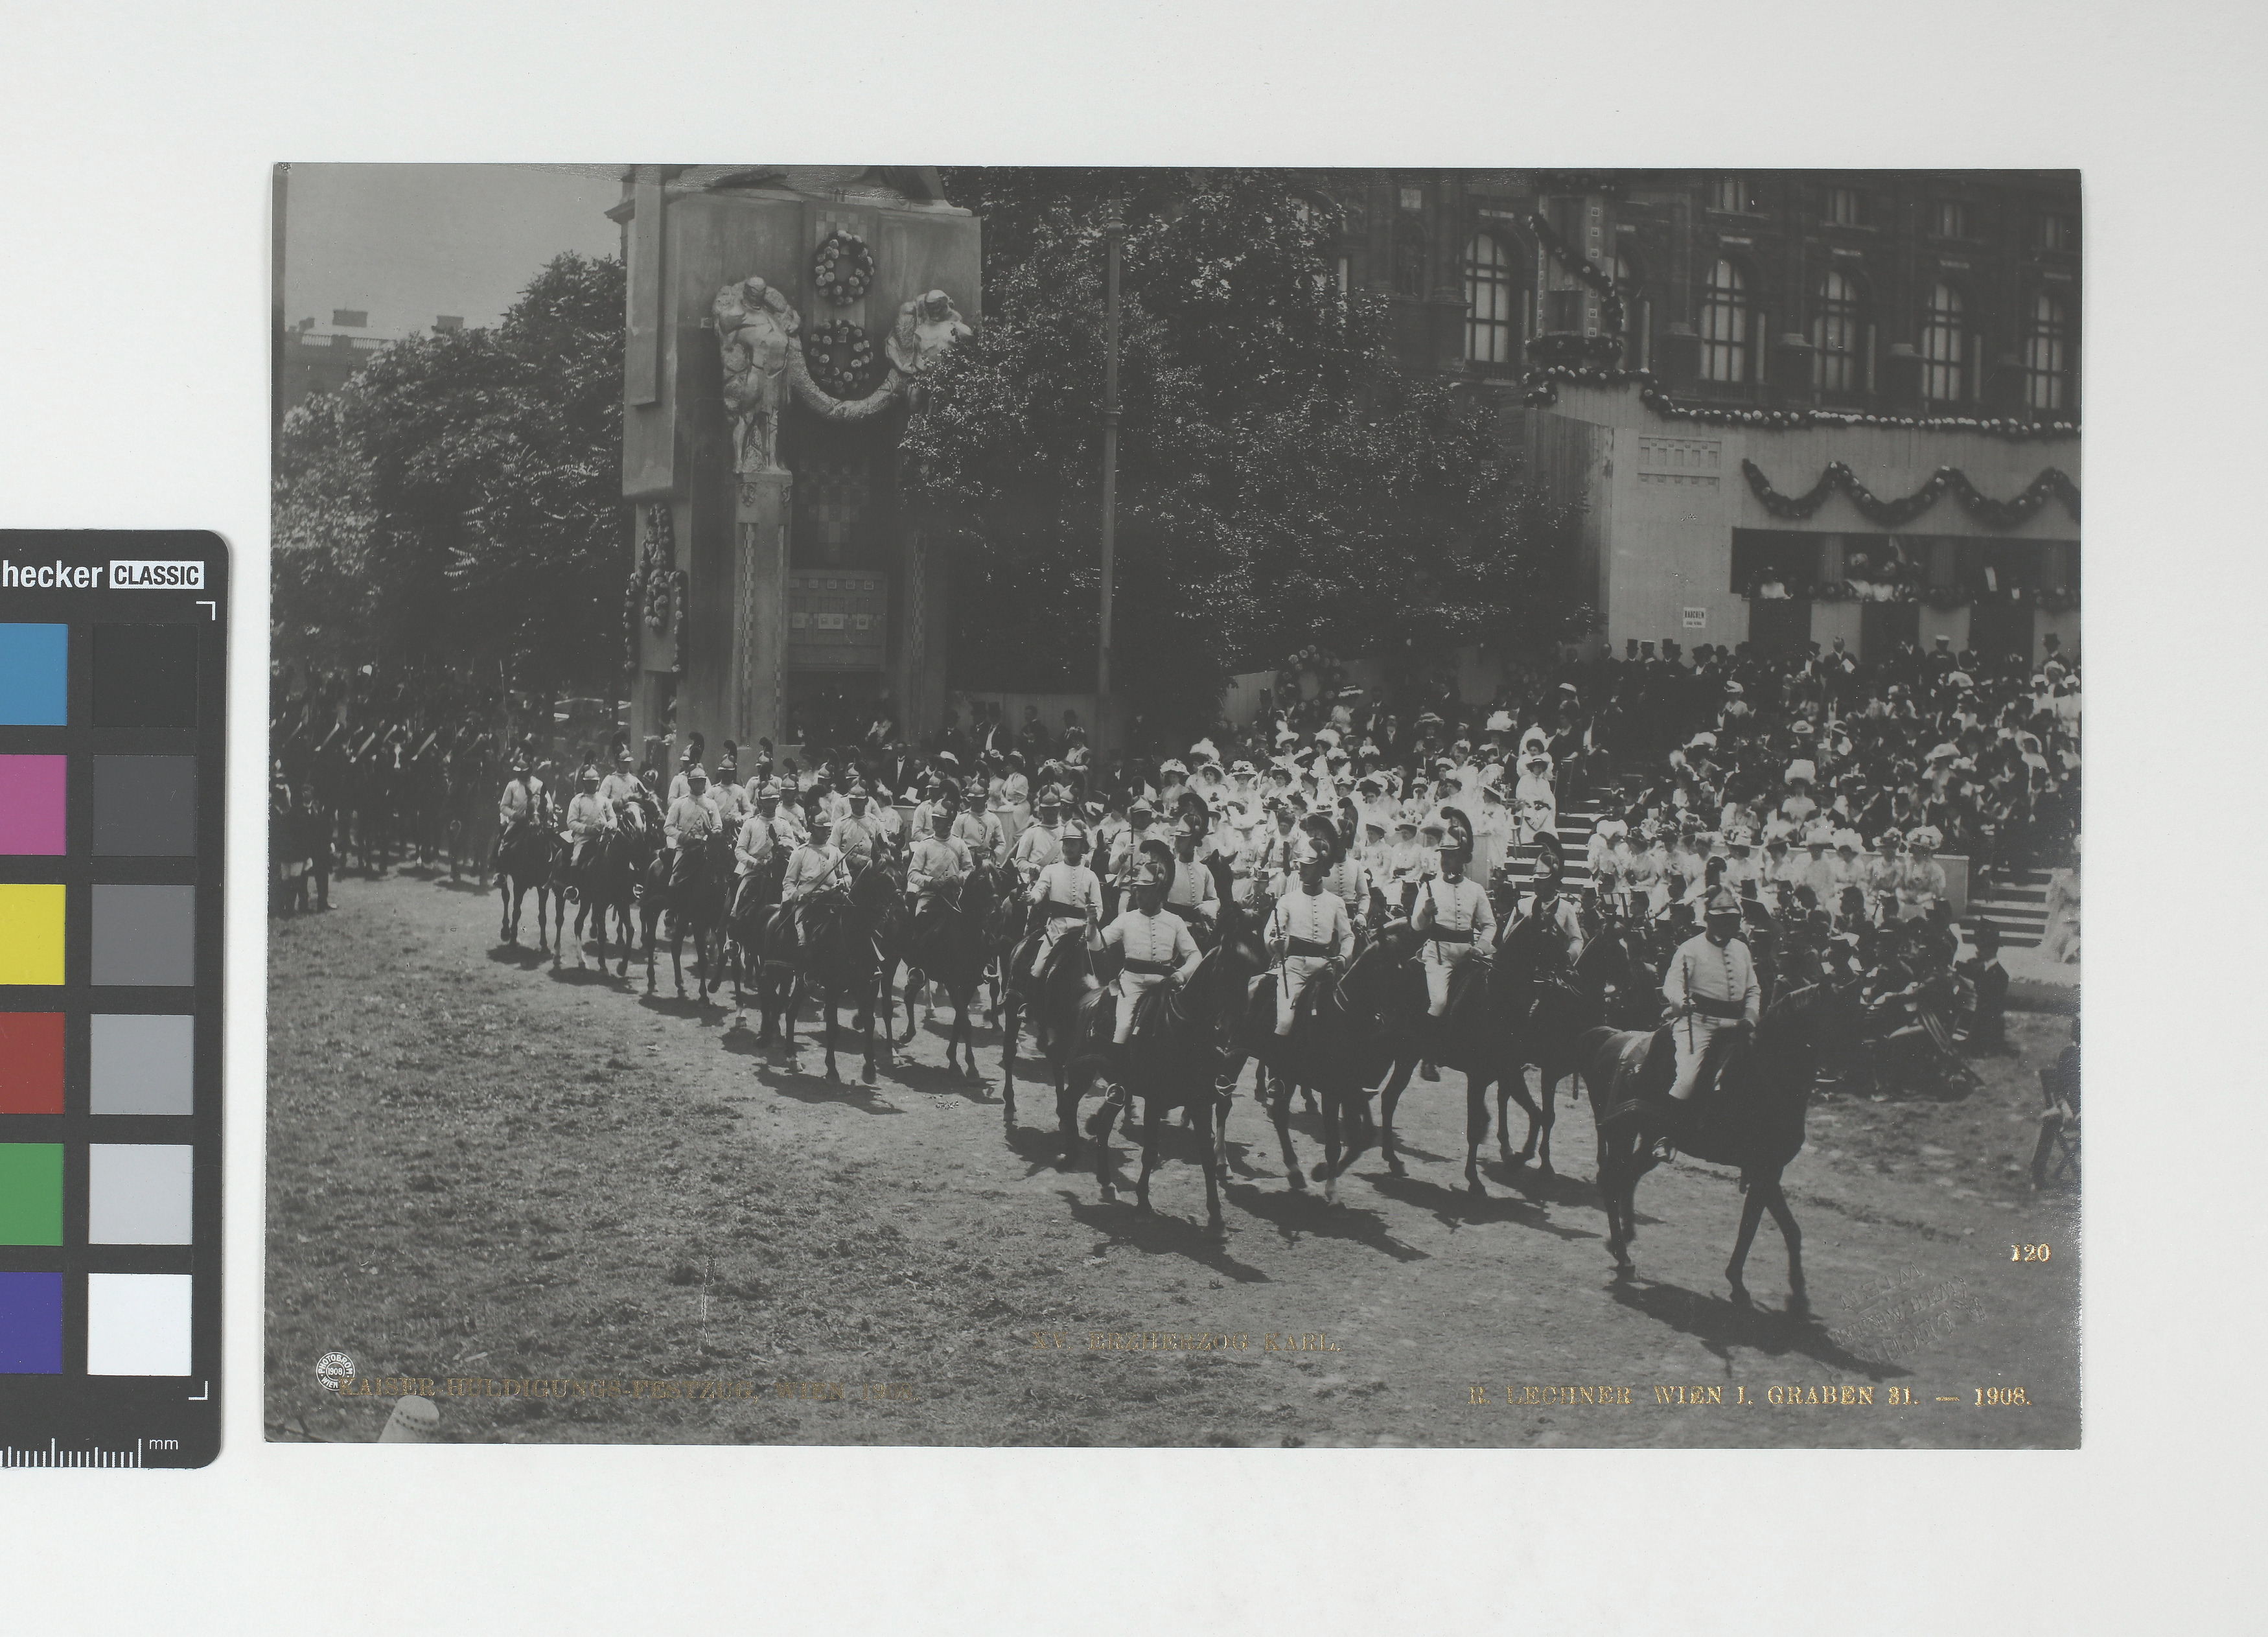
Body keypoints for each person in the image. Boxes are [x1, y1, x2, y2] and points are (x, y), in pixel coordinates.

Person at [1660, 887, 1762, 1108]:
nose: (1729, 924)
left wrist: (1750, 1016)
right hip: (1699, 1026)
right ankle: (1667, 1135)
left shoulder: (1742, 949)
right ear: (1708, 920)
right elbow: (1673, 983)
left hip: (1738, 1026)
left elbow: (1753, 989)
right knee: (1686, 1082)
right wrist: (1681, 1000)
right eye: (1722, 919)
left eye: (1733, 918)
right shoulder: (1691, 948)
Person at [1099, 856, 1205, 1047]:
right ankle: (1117, 1075)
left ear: (1160, 893)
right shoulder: (1126, 919)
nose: (1138, 896)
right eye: (1138, 890)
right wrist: (1091, 926)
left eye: (1145, 891)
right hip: (1133, 985)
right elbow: (1098, 943)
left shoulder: (1175, 921)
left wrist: (1181, 974)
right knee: (1123, 1028)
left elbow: (1195, 955)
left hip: (1164, 987)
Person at [1266, 850, 1355, 1035]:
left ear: (1322, 868)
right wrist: (1275, 943)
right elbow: (1272, 930)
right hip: (1294, 971)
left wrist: (1343, 957)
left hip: (1325, 972)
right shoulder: (1288, 900)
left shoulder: (1335, 902)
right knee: (1284, 1022)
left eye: (1308, 865)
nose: (1301, 869)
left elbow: (1347, 936)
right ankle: (1277, 1062)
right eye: (1301, 865)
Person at [1412, 830, 1497, 1023]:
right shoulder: (1429, 887)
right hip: (1439, 957)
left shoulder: (1476, 889)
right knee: (1440, 1002)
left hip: (1469, 957)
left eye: (1452, 855)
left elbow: (1490, 925)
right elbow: (1416, 926)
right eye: (1443, 854)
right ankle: (1428, 1049)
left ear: (1463, 859)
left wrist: (1480, 948)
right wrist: (1425, 912)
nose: (1445, 860)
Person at [1026, 822, 1104, 977]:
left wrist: (1092, 919)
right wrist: (1032, 898)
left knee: (1101, 968)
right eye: (1066, 843)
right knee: (1037, 969)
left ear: (1082, 847)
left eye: (1074, 844)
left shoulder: (1091, 876)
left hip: (1084, 931)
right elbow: (1039, 891)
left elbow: (1099, 907)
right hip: (1057, 930)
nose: (1069, 848)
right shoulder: (1051, 870)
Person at [780, 813, 846, 954]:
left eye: (828, 828)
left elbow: (846, 875)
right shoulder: (800, 853)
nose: (826, 832)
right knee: (802, 932)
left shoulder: (836, 852)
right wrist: (798, 897)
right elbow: (788, 882)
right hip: (809, 901)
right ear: (812, 828)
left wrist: (843, 882)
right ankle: (804, 965)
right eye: (821, 828)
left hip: (834, 898)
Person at [2030, 1013, 2080, 1189]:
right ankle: (2037, 1173)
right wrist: (2065, 1108)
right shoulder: (2069, 1055)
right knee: (2049, 1119)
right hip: (2068, 1109)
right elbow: (2059, 1089)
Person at [907, 792, 974, 919]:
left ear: (949, 822)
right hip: (929, 895)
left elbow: (970, 870)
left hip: (954, 896)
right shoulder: (925, 845)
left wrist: (959, 879)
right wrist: (930, 881)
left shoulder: (960, 844)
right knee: (921, 921)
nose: (935, 824)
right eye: (934, 819)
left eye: (939, 820)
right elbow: (912, 874)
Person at [560, 763, 614, 903]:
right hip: (584, 838)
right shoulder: (577, 800)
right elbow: (571, 823)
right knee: (576, 858)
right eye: (590, 782)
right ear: (584, 782)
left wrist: (609, 825)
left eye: (595, 782)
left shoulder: (604, 800)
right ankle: (573, 888)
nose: (593, 785)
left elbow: (613, 818)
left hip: (604, 836)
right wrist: (588, 829)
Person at [1163, 820, 1220, 931]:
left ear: (1193, 841)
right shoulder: (1169, 868)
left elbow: (1215, 900)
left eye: (1182, 839)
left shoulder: (1203, 870)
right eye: (1176, 838)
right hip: (1172, 927)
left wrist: (1205, 908)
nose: (1177, 843)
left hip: (1198, 927)